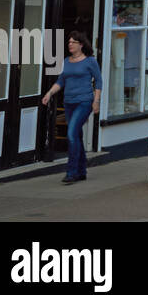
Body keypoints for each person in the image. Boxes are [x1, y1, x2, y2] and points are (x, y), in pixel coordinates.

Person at [41, 31, 102, 184]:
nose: (70, 44)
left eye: (73, 42)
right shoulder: (66, 61)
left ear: (81, 45)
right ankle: (82, 171)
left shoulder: (90, 61)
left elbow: (99, 82)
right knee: (77, 136)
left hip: (84, 102)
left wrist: (96, 101)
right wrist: (49, 93)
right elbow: (61, 80)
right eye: (69, 42)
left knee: (71, 134)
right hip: (69, 102)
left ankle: (72, 172)